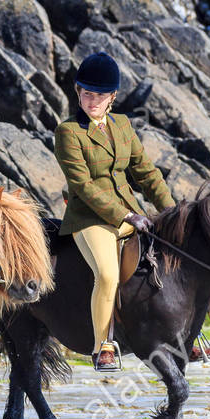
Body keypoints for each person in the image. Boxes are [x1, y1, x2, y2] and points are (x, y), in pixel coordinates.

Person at [53, 52, 175, 372]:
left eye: (100, 95)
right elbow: (82, 185)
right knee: (107, 275)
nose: (93, 101)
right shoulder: (69, 132)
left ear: (113, 97)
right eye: (87, 94)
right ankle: (103, 346)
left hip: (133, 213)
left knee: (176, 257)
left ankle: (189, 332)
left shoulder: (122, 125)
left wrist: (172, 212)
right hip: (91, 218)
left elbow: (146, 173)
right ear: (78, 92)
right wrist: (124, 216)